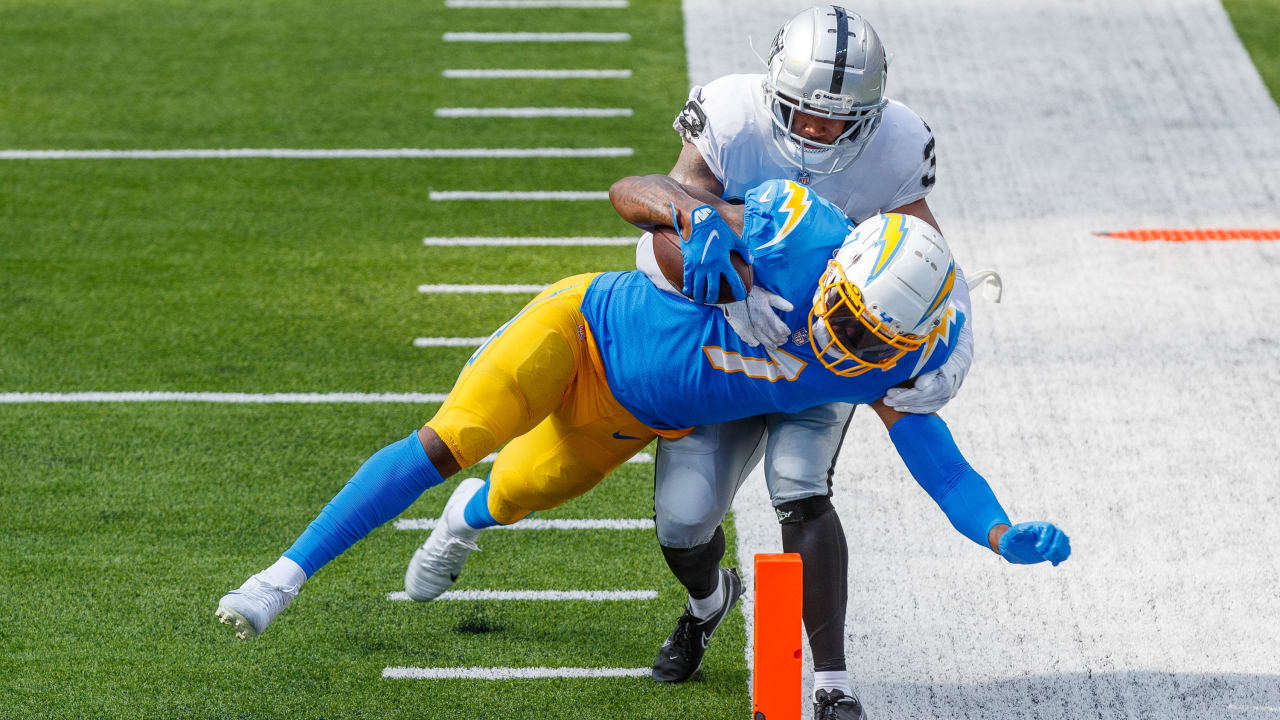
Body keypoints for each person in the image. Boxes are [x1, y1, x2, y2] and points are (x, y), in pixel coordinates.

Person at [216, 180, 1070, 720]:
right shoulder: (793, 233)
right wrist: (694, 217)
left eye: (871, 338)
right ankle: (279, 579)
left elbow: (942, 466)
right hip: (582, 326)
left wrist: (997, 532)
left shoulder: (911, 363)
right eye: (844, 314)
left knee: (514, 491)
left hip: (633, 417)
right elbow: (635, 189)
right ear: (838, 266)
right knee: (454, 438)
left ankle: (465, 522)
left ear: (913, 340)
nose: (845, 342)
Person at [605, 6, 973, 716]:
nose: (813, 130)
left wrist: (960, 340)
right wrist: (725, 281)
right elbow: (663, 204)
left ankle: (833, 682)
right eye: (801, 112)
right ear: (773, 92)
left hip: (825, 346)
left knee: (800, 487)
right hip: (728, 339)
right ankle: (708, 603)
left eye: (834, 119)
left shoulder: (897, 143)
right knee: (684, 523)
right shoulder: (733, 113)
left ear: (870, 115)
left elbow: (932, 261)